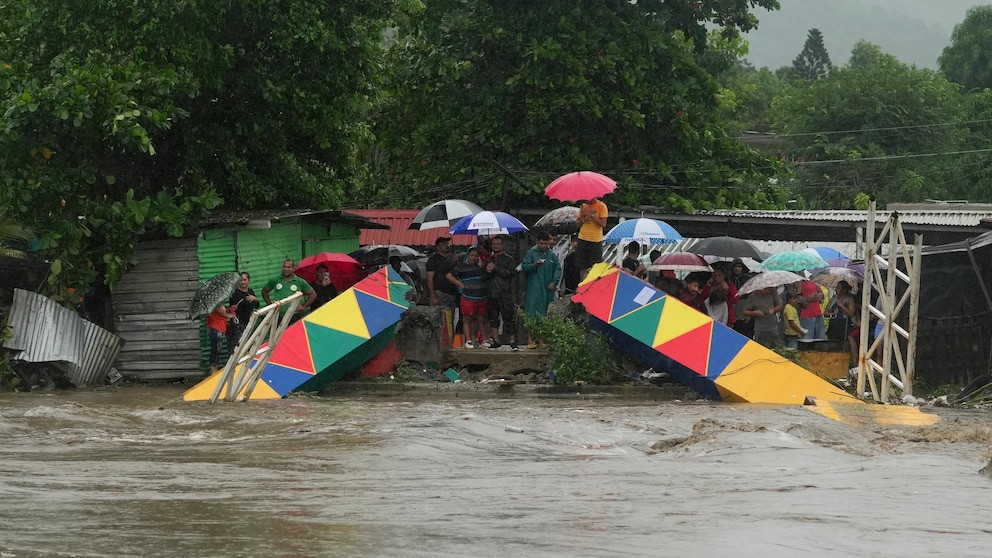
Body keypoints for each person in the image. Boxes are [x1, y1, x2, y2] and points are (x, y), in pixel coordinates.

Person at [522, 231, 562, 349]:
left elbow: (558, 269)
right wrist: (535, 265)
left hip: (547, 289)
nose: (543, 245)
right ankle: (530, 339)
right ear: (537, 242)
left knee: (543, 314)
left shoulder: (552, 255)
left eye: (545, 243)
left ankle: (541, 339)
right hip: (534, 288)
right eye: (541, 243)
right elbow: (524, 267)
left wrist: (554, 282)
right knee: (531, 313)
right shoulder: (531, 253)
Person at [446, 247, 491, 349]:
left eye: (476, 256)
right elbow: (449, 276)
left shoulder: (480, 267)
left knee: (480, 319)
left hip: (481, 297)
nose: (473, 258)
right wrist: (459, 284)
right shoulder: (461, 267)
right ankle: (468, 340)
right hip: (468, 297)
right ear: (468, 256)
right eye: (471, 255)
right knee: (467, 319)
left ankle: (481, 339)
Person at [484, 235, 518, 350]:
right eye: (493, 244)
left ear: (502, 245)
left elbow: (511, 273)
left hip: (505, 292)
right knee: (493, 317)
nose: (495, 246)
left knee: (508, 317)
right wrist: (487, 271)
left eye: (498, 244)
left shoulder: (508, 259)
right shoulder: (489, 259)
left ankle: (512, 340)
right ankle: (496, 339)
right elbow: (484, 277)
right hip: (491, 293)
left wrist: (496, 269)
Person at [261, 259, 317, 323]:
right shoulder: (275, 280)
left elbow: (313, 294)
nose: (286, 269)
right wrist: (270, 305)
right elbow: (264, 291)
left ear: (293, 268)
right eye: (284, 267)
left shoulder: (300, 281)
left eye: (288, 267)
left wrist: (304, 306)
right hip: (278, 315)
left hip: (294, 315)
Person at [576, 196, 608, 280]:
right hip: (583, 238)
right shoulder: (583, 207)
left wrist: (593, 217)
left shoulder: (601, 206)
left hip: (595, 240)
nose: (585, 200)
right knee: (582, 266)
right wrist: (584, 219)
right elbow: (577, 224)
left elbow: (603, 224)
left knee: (595, 266)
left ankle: (593, 284)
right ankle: (582, 283)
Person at [228, 272, 259, 350]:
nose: (242, 282)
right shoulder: (234, 293)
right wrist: (234, 308)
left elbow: (256, 305)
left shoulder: (250, 292)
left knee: (250, 344)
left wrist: (255, 299)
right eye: (241, 280)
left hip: (249, 322)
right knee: (237, 346)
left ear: (249, 281)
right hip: (238, 323)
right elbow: (231, 308)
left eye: (245, 280)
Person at [426, 237, 458, 308]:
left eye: (447, 244)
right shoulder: (433, 260)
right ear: (438, 247)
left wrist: (455, 261)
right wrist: (433, 296)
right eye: (444, 244)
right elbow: (429, 279)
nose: (447, 245)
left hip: (451, 293)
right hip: (439, 292)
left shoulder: (449, 260)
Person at [207, 303, 236, 375]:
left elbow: (222, 311)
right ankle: (213, 370)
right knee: (216, 349)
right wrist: (230, 315)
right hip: (216, 327)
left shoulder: (218, 302)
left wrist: (229, 309)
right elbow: (219, 311)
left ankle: (214, 369)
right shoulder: (215, 303)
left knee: (217, 349)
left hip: (219, 327)